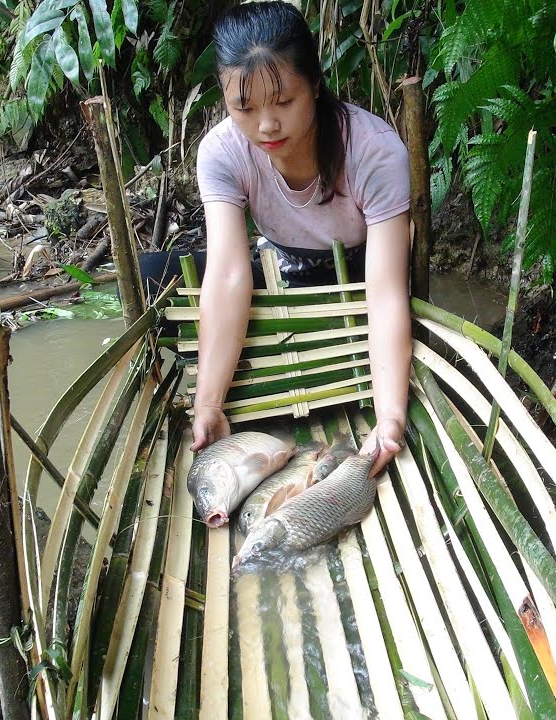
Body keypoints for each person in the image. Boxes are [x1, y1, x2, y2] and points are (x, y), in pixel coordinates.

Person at [190, 0, 411, 478]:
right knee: (158, 274)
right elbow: (227, 271)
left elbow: (387, 292)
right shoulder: (222, 152)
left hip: (359, 269)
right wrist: (208, 400)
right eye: (243, 108)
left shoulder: (374, 151)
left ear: (315, 84)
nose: (266, 125)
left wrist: (390, 414)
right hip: (283, 263)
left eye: (284, 102)